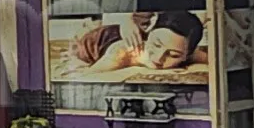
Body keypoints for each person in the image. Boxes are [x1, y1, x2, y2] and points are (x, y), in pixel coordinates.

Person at [72, 10, 208, 76]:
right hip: (94, 41)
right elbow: (84, 77)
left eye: (173, 55)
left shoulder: (187, 51)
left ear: (186, 55)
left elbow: (215, 62)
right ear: (148, 35)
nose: (158, 58)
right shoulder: (121, 54)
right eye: (156, 45)